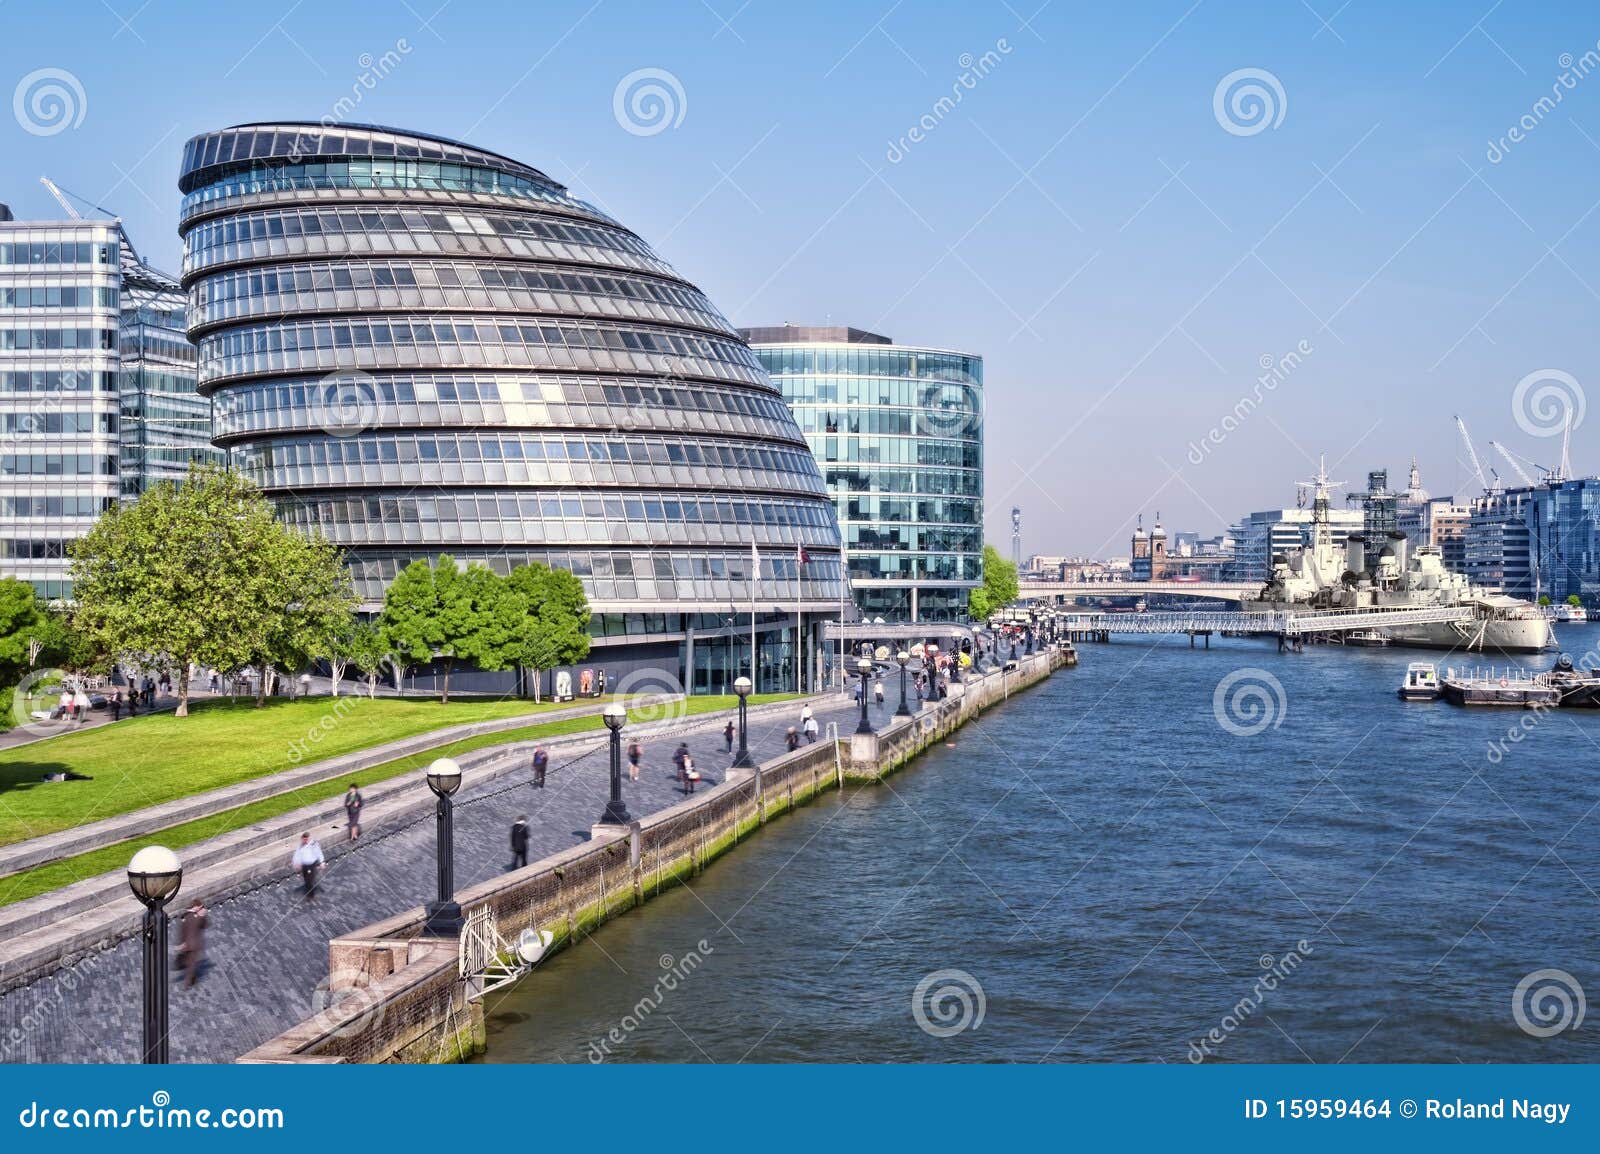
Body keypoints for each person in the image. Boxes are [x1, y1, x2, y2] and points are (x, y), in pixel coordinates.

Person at [176, 899, 208, 987]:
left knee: (191, 962)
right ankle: (189, 979)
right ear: (196, 907)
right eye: (200, 907)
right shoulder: (192, 917)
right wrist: (202, 917)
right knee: (191, 962)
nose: (201, 908)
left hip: (190, 944)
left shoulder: (186, 916)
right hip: (193, 944)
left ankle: (190, 979)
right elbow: (204, 926)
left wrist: (182, 942)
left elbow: (183, 931)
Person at [291, 833, 325, 901]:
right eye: (303, 839)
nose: (305, 841)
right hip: (304, 866)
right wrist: (296, 863)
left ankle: (310, 895)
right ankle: (310, 889)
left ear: (309, 838)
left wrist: (321, 862)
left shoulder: (313, 845)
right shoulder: (300, 846)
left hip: (311, 865)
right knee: (306, 880)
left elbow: (319, 853)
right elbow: (297, 855)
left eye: (306, 839)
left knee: (309, 880)